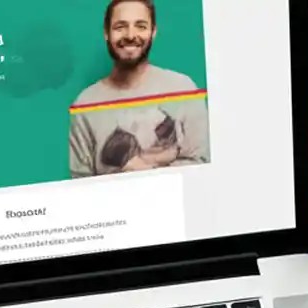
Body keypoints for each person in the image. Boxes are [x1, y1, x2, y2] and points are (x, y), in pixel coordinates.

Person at [70, 0, 210, 177]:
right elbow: (80, 186)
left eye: (141, 26)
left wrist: (145, 173)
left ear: (153, 32)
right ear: (106, 33)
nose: (130, 35)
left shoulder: (183, 89)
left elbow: (200, 165)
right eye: (120, 27)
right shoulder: (84, 105)